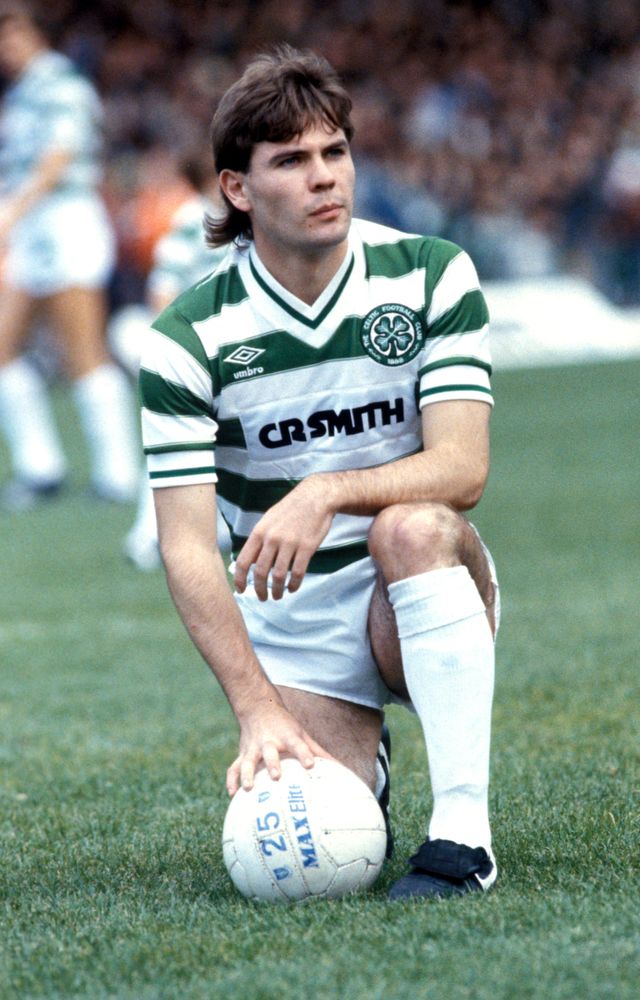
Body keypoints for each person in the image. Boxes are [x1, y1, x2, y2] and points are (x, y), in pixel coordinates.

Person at [139, 46, 500, 900]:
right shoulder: (187, 340)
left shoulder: (430, 273)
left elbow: (463, 470)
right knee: (307, 855)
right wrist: (257, 708)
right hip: (293, 623)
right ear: (237, 188)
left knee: (409, 525)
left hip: (420, 577)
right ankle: (362, 758)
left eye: (335, 151)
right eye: (292, 161)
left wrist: (327, 489)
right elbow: (185, 547)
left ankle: (463, 835)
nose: (325, 176)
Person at [0, 1, 138, 508]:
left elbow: (59, 156)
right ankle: (41, 468)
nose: (5, 46)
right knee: (2, 346)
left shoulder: (62, 84)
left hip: (63, 221)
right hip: (31, 226)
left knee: (82, 349)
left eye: (12, 33)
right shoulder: (21, 92)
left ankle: (118, 473)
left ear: (37, 34)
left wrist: (11, 212)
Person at [119, 152, 229, 570]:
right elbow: (163, 291)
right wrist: (178, 348)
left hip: (220, 347)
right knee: (176, 442)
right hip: (199, 348)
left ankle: (217, 526)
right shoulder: (192, 221)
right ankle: (149, 534)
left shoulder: (229, 221)